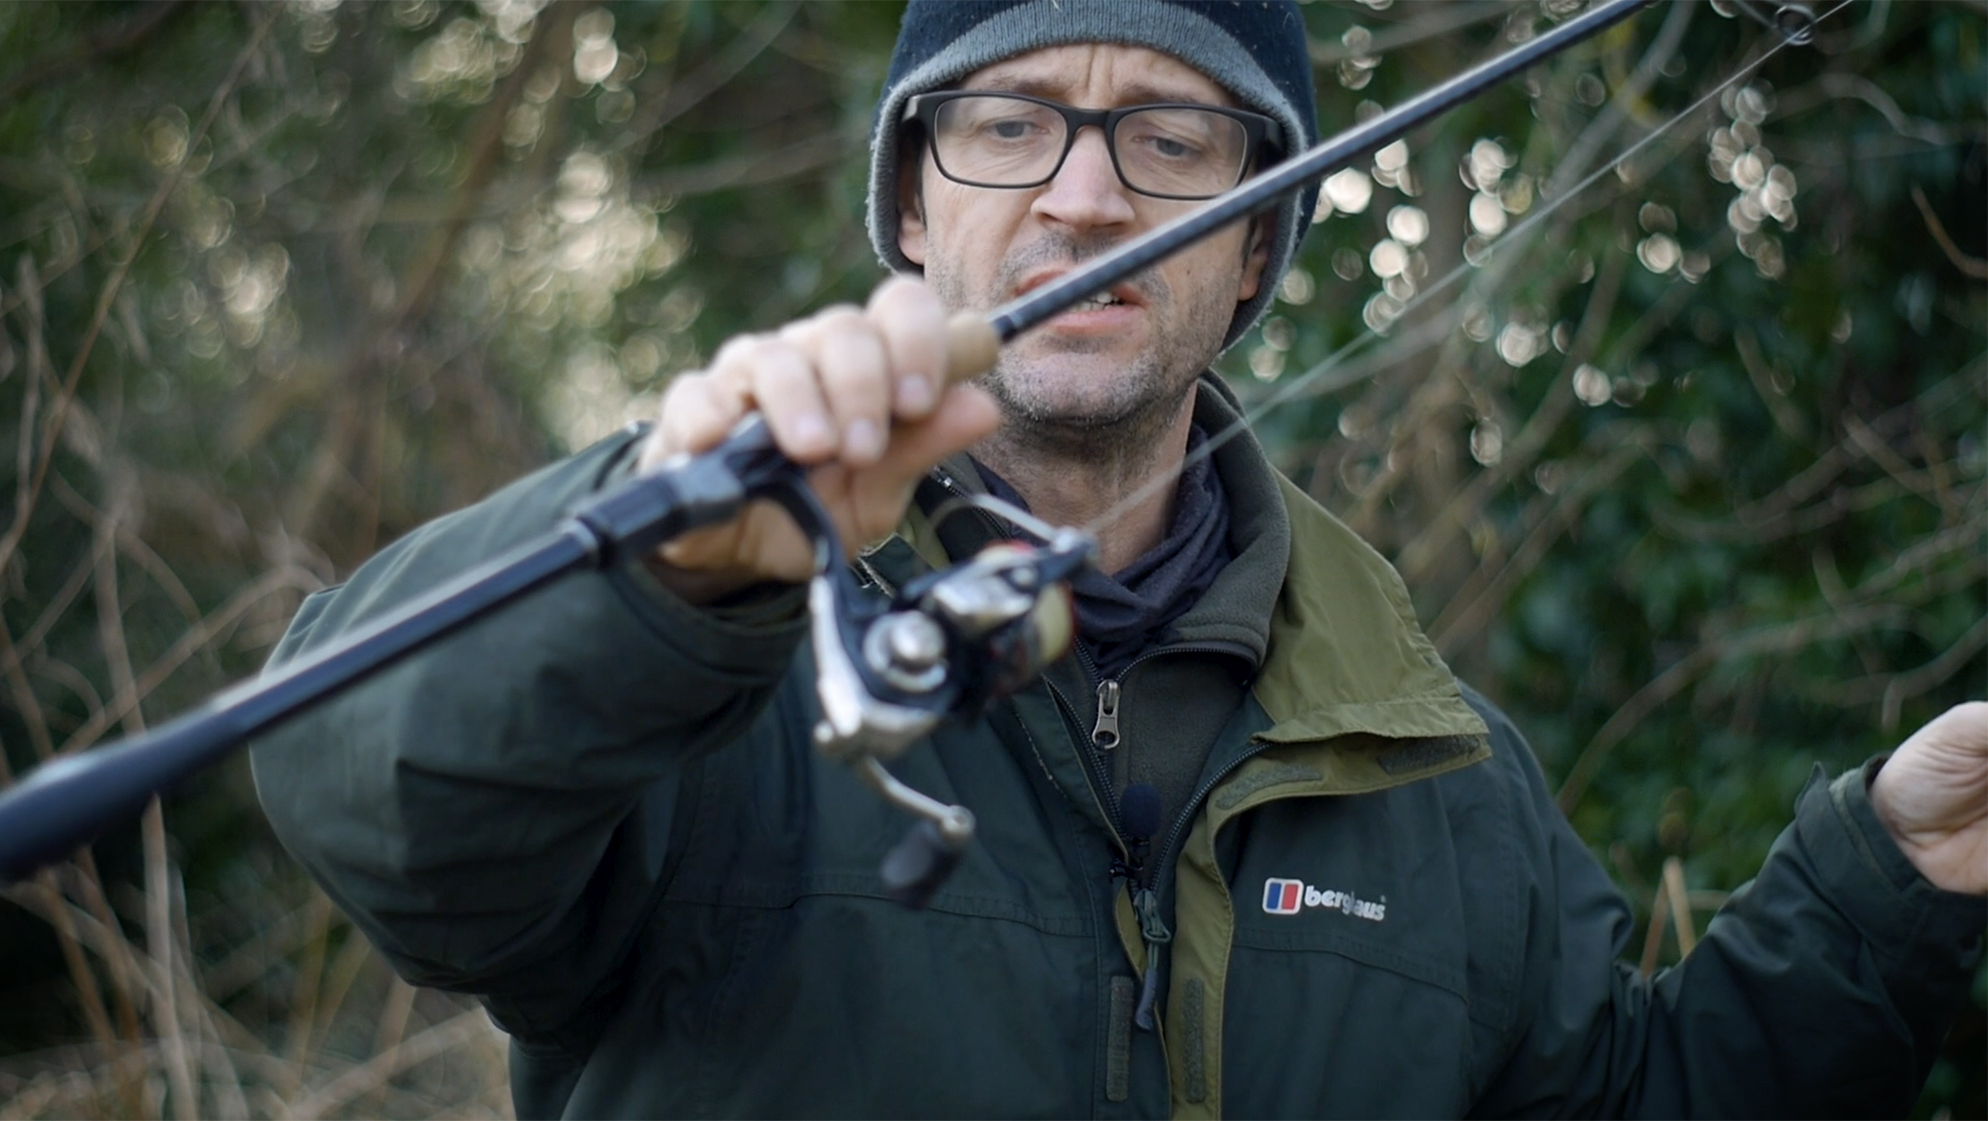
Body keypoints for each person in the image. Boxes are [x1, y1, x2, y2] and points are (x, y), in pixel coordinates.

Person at [252, 2, 1987, 1117]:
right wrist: (663, 564)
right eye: (1009, 122)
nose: (1085, 198)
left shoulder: (1439, 764)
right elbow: (360, 796)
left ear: (1254, 255)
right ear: (917, 211)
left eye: (1172, 137)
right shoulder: (691, 651)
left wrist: (1888, 879)